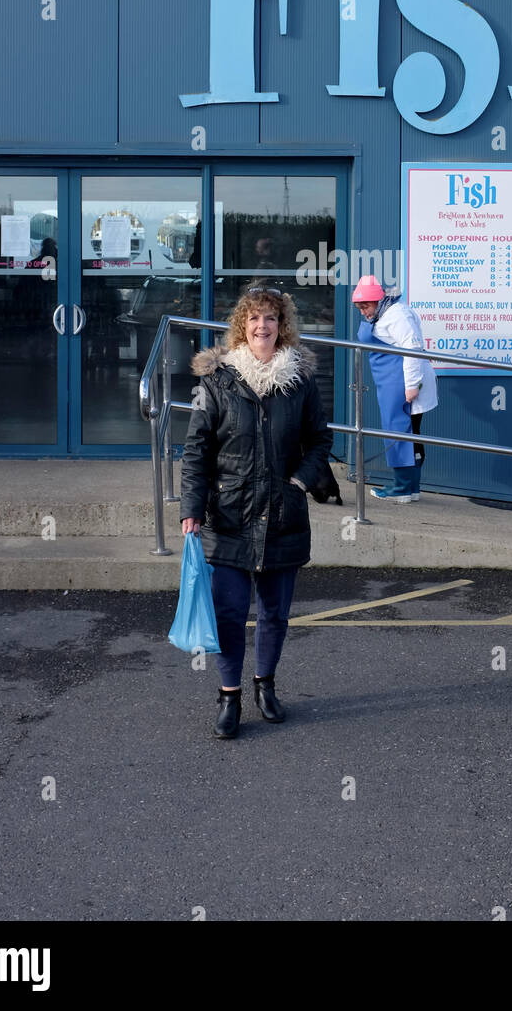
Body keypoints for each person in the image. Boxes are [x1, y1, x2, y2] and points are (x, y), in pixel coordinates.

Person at [179, 285, 332, 739]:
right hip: (228, 514)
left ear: (282, 327)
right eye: (253, 319)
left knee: (274, 613)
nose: (262, 326)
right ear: (241, 328)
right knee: (228, 613)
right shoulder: (218, 381)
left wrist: (300, 481)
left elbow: (321, 440)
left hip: (283, 514)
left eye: (270, 319)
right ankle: (230, 696)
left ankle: (265, 686)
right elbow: (196, 450)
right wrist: (192, 507)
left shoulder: (299, 382)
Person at [351, 275, 438, 503]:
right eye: (359, 308)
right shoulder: (384, 314)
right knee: (411, 436)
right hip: (393, 382)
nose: (364, 312)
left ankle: (402, 488)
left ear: (379, 300)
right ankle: (411, 487)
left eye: (366, 306)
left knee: (401, 434)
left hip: (404, 384)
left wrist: (411, 387)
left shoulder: (397, 315)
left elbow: (413, 349)